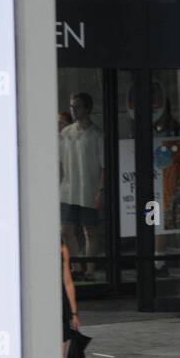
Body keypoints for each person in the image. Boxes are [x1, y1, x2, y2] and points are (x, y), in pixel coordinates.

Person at [59, 92, 105, 274]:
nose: (73, 109)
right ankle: (77, 267)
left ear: (87, 108)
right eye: (72, 106)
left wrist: (101, 190)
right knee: (66, 230)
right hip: (68, 189)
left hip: (89, 188)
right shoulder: (66, 133)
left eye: (77, 106)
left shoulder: (97, 135)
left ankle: (90, 271)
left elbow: (104, 167)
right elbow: (60, 161)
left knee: (90, 231)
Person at [61, 233, 79, 358]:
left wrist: (74, 313)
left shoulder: (61, 249)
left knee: (61, 353)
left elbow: (68, 282)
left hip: (60, 306)